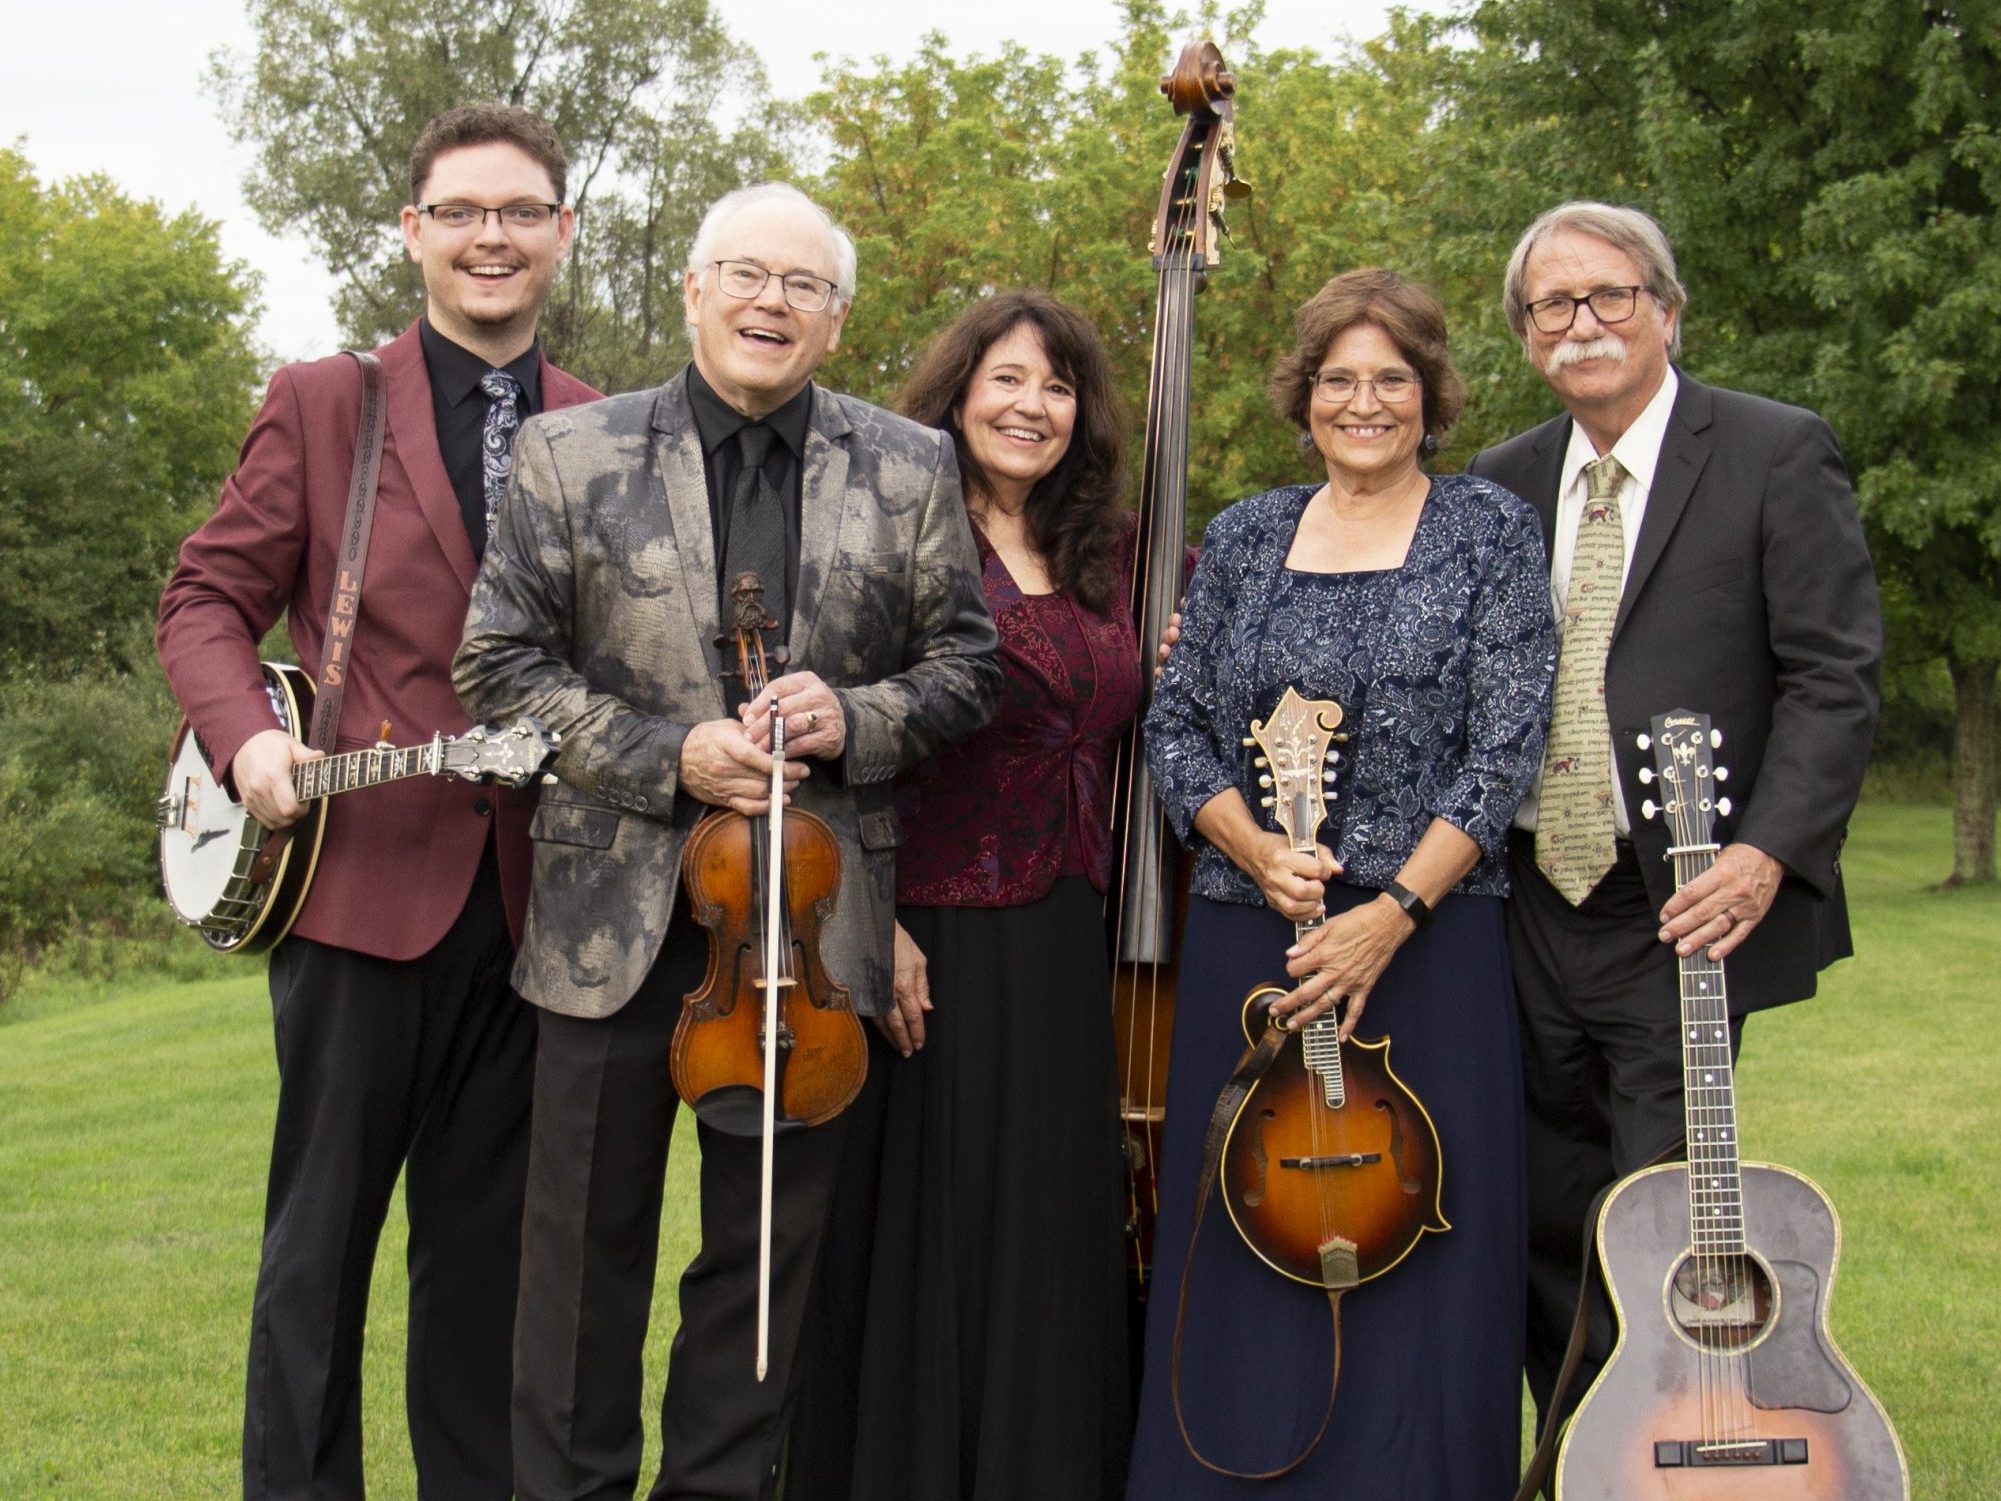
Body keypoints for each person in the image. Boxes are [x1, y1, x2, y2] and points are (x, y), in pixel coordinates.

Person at [451, 181, 1001, 1501]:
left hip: (800, 946)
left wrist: (853, 715)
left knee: (757, 1281)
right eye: (746, 276)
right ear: (694, 290)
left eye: (802, 286)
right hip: (611, 931)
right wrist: (663, 754)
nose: (771, 303)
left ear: (839, 318)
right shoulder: (567, 453)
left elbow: (968, 667)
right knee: (580, 1269)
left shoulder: (909, 464)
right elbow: (496, 662)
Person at [156, 104, 598, 1499]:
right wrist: (241, 744)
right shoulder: (323, 400)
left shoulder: (607, 428)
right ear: (413, 233)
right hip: (355, 894)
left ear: (561, 235)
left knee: (485, 1280)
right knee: (318, 1258)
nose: (491, 237)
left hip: (539, 912)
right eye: (461, 211)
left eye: (520, 212)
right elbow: (205, 601)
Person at [1129, 268, 1555, 1499]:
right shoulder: (1251, 531)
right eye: (1338, 380)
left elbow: (1504, 744)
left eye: (1391, 379)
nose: (1364, 403)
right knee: (1249, 1230)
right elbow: (1177, 728)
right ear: (1303, 397)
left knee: (1426, 1238)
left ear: (1430, 396)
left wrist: (1393, 912)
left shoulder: (1486, 530)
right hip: (1250, 939)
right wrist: (1255, 850)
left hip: (1430, 948)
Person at [1465, 201, 1882, 1426]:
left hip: (1684, 902)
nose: (1582, 323)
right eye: (1554, 304)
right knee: (1540, 1204)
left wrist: (1764, 854)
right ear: (1528, 333)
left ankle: (1667, 1432)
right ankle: (1594, 1443)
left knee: (1656, 1198)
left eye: (1610, 296)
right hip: (1527, 900)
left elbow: (1834, 675)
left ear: (1666, 309)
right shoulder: (1500, 481)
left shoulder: (1772, 450)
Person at [789, 291, 1138, 1500]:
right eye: (1007, 379)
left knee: (1044, 1234)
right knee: (923, 1236)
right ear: (956, 392)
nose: (1032, 406)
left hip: (1060, 934)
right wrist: (869, 918)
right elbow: (827, 729)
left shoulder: (1111, 552)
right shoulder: (886, 529)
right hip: (921, 923)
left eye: (1056, 385)